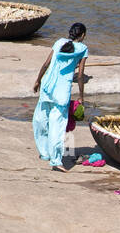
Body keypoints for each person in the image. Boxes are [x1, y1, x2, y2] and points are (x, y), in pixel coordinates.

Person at [32, 22, 88, 172]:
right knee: (57, 126)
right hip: (61, 92)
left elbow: (46, 64)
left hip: (47, 87)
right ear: (82, 35)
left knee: (41, 120)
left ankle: (45, 153)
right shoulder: (83, 49)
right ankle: (56, 160)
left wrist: (38, 80)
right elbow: (81, 75)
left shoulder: (59, 42)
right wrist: (81, 96)